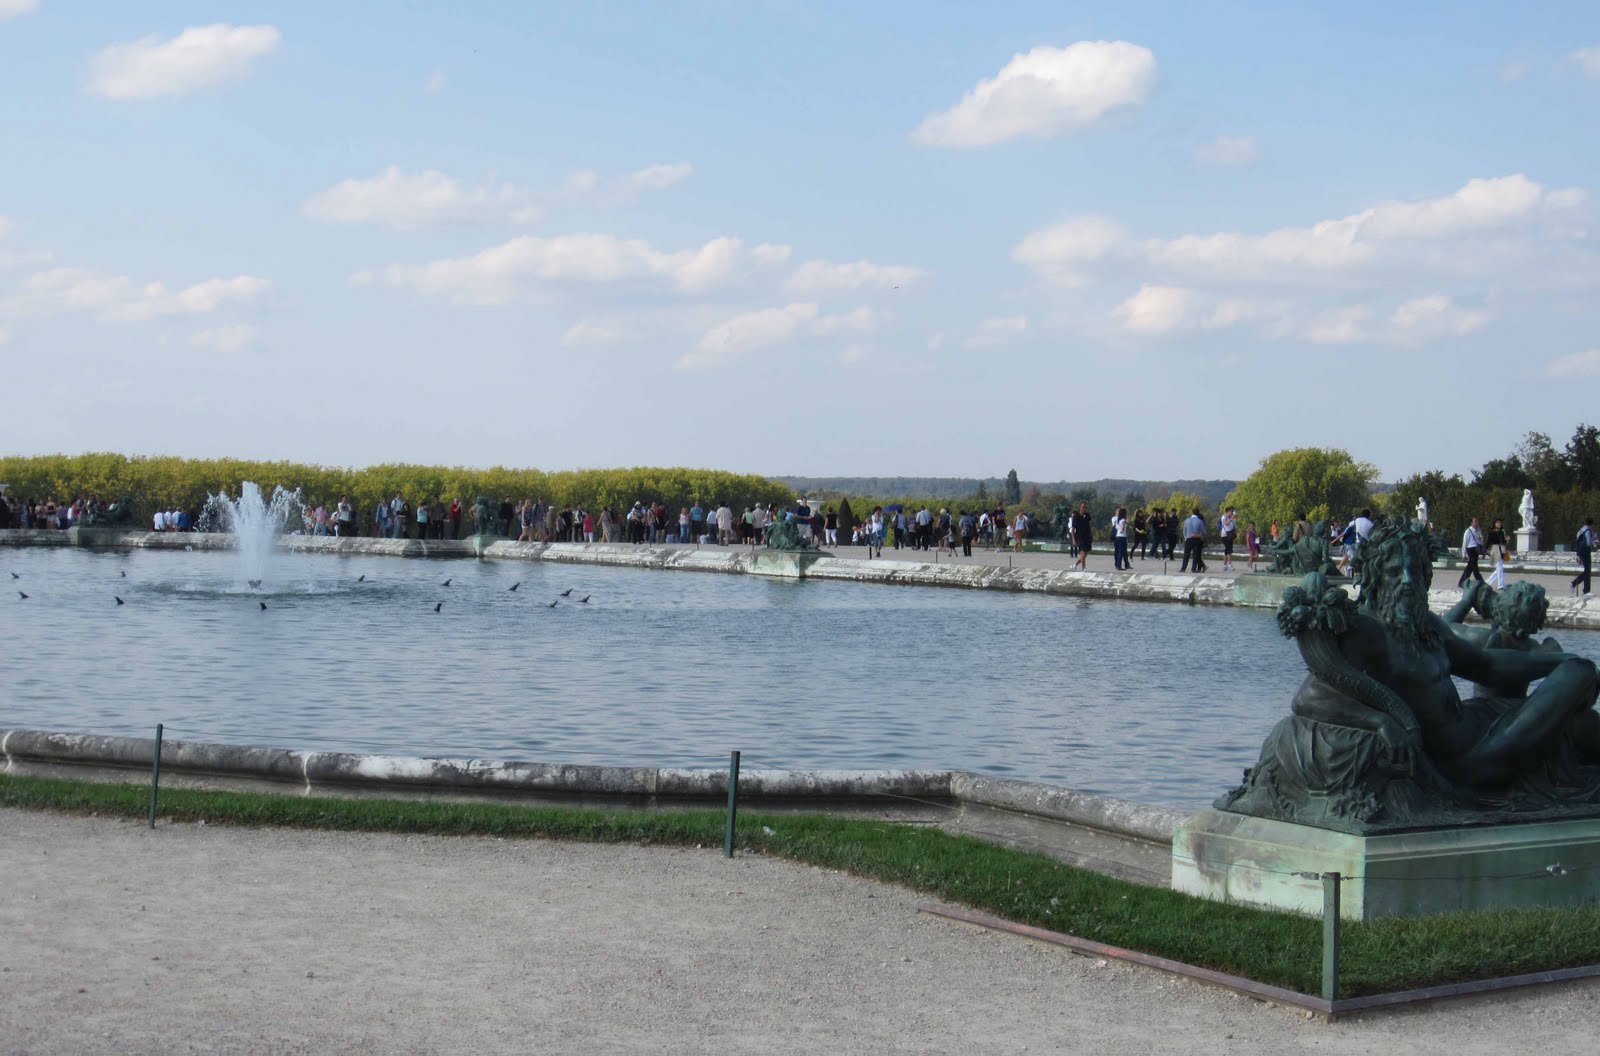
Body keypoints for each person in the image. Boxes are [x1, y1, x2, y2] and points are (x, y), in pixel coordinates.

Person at [1458, 516, 1485, 588]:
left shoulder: (1478, 530)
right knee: (1475, 567)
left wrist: (1481, 538)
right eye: (1475, 521)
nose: (1477, 523)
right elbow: (1464, 543)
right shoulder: (1468, 531)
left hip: (1476, 550)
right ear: (1471, 523)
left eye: (1477, 521)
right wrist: (1463, 554)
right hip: (1470, 550)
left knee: (1470, 567)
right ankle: (1481, 582)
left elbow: (1480, 541)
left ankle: (1462, 582)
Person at [1180, 508, 1207, 573]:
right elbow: (1204, 532)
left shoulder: (1187, 520)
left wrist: (1186, 538)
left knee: (1186, 554)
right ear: (1198, 513)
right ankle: (1193, 569)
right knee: (1195, 555)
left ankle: (1183, 568)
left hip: (1188, 539)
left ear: (1192, 513)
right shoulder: (1200, 521)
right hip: (1197, 540)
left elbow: (1184, 531)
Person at [1486, 517, 1509, 589]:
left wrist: (1507, 540)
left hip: (1501, 550)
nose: (1499, 524)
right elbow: (1488, 542)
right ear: (1494, 524)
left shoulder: (1502, 532)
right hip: (1495, 549)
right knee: (1499, 567)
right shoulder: (1491, 532)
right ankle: (1500, 585)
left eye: (1500, 522)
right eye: (1497, 522)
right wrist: (1484, 550)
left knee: (1499, 568)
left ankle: (1488, 582)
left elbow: (1503, 542)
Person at [1068, 501, 1092, 570]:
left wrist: (1091, 535)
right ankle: (1084, 568)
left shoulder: (1087, 516)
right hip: (1079, 537)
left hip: (1087, 536)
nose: (1084, 509)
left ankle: (1074, 565)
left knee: (1084, 555)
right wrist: (1073, 539)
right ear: (1080, 508)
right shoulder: (1076, 517)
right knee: (1082, 552)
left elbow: (1089, 526)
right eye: (1083, 507)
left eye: (1085, 507)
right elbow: (1073, 529)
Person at [1575, 516, 1594, 596]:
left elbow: (1577, 541)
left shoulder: (1580, 530)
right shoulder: (1588, 530)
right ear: (1591, 524)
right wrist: (1594, 545)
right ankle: (1586, 591)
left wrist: (1578, 554)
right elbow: (1588, 542)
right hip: (1586, 552)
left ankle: (1574, 583)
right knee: (1588, 570)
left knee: (1586, 570)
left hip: (1580, 552)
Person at [1218, 506, 1238, 572]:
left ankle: (1225, 565)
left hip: (1230, 536)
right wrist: (1232, 517)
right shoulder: (1224, 517)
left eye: (1233, 511)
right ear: (1228, 511)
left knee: (1227, 550)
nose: (1232, 513)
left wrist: (1234, 516)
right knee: (1229, 550)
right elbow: (1225, 523)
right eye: (1231, 511)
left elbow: (1234, 525)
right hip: (1225, 535)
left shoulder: (1231, 518)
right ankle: (1229, 565)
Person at [1111, 506, 1130, 571]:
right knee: (1120, 552)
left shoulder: (1118, 519)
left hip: (1118, 536)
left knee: (1121, 551)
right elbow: (1122, 529)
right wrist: (1122, 527)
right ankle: (1118, 565)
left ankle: (1120, 565)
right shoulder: (1122, 520)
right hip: (1122, 537)